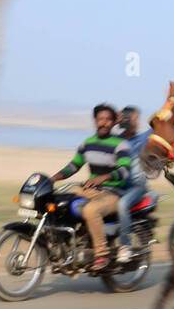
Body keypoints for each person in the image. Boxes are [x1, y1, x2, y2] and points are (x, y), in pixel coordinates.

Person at [48, 103, 131, 272]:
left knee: (91, 210)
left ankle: (102, 254)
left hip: (113, 193)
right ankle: (66, 248)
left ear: (113, 122)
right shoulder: (88, 143)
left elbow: (124, 170)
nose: (104, 123)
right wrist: (53, 178)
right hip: (89, 190)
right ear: (95, 121)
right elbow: (74, 165)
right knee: (59, 203)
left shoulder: (120, 144)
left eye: (108, 119)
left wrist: (103, 178)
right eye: (100, 119)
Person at [114, 105, 151, 264]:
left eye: (138, 119)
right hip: (116, 185)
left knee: (122, 205)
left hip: (136, 186)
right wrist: (114, 122)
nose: (138, 123)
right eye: (135, 119)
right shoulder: (116, 140)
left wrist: (170, 100)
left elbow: (158, 125)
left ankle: (125, 245)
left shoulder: (142, 139)